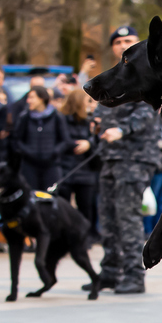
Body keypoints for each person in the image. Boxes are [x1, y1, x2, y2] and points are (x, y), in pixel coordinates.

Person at [93, 26, 161, 294]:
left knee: (128, 217)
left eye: (128, 41)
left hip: (135, 157)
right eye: (118, 41)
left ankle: (134, 274)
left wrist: (121, 130)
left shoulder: (146, 74)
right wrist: (95, 123)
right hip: (110, 156)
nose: (122, 45)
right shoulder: (114, 76)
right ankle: (110, 272)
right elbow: (101, 109)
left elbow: (147, 113)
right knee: (108, 217)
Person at [56, 87, 100, 237]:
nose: (91, 105)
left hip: (85, 169)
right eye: (88, 101)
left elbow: (98, 143)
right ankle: (63, 236)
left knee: (86, 207)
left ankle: (84, 237)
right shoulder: (61, 119)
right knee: (63, 207)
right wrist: (75, 144)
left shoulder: (91, 121)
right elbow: (60, 141)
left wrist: (89, 143)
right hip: (66, 169)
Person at [11, 86, 71, 191]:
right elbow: (17, 139)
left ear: (42, 98)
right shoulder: (24, 117)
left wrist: (54, 152)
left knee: (50, 198)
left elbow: (65, 140)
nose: (28, 101)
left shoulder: (57, 116)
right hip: (29, 166)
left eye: (32, 97)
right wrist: (28, 152)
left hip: (51, 165)